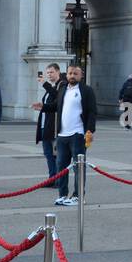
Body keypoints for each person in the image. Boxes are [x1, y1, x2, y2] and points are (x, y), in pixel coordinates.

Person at [53, 64, 97, 207]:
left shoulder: (86, 90)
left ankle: (78, 196)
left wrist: (89, 130)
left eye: (75, 73)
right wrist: (42, 107)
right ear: (66, 75)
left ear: (81, 75)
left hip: (78, 134)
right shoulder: (63, 89)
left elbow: (92, 111)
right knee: (61, 166)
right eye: (70, 73)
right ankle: (62, 195)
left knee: (79, 167)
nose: (72, 76)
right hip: (62, 135)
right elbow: (56, 106)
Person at [32, 64, 62, 191]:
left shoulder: (62, 85)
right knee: (48, 154)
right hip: (45, 126)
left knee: (56, 155)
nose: (49, 74)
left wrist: (44, 83)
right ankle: (52, 178)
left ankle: (58, 180)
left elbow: (57, 97)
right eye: (48, 72)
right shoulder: (52, 87)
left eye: (51, 72)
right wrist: (41, 105)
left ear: (58, 72)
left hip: (54, 127)